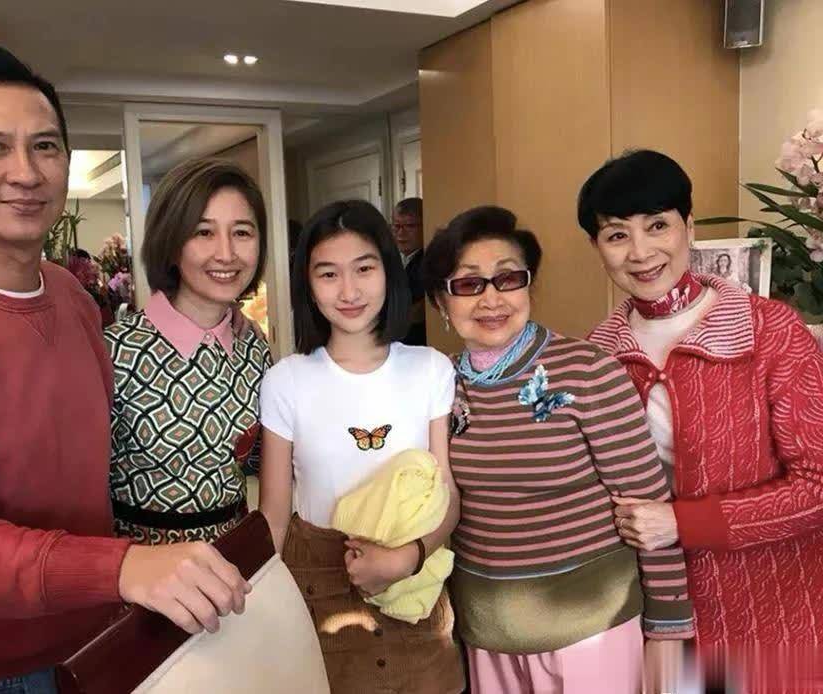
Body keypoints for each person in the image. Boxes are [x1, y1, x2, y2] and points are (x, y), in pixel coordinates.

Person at [0, 45, 249, 693]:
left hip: (91, 645)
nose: (25, 172)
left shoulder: (71, 298)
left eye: (44, 146)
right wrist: (123, 566)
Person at [421, 206, 693, 694]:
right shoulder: (437, 385)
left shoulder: (588, 372)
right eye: (468, 284)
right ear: (442, 301)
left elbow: (649, 509)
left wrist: (668, 628)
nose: (491, 299)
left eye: (509, 278)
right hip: (487, 633)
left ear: (529, 286)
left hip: (594, 629)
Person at [581, 150, 823, 687]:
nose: (640, 252)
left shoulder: (771, 332)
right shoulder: (595, 356)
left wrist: (682, 523)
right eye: (617, 234)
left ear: (688, 227)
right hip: (656, 617)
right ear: (597, 248)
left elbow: (818, 485)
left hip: (773, 612)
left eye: (657, 226)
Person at [259, 200, 464, 693]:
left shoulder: (430, 369)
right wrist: (263, 610)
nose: (348, 291)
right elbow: (274, 516)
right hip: (319, 584)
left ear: (389, 273)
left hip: (413, 581)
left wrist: (408, 558)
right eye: (328, 274)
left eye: (364, 269)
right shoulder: (286, 380)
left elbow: (447, 495)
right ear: (308, 285)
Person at [107, 159, 271, 545]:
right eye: (203, 232)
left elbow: (261, 460)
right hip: (143, 565)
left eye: (242, 232)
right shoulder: (115, 352)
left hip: (235, 558)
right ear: (171, 241)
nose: (226, 253)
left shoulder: (253, 347)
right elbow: (79, 490)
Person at [392, 197, 426, 345]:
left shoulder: (427, 260)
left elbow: (421, 311)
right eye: (397, 226)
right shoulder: (395, 259)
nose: (401, 232)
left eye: (410, 226)